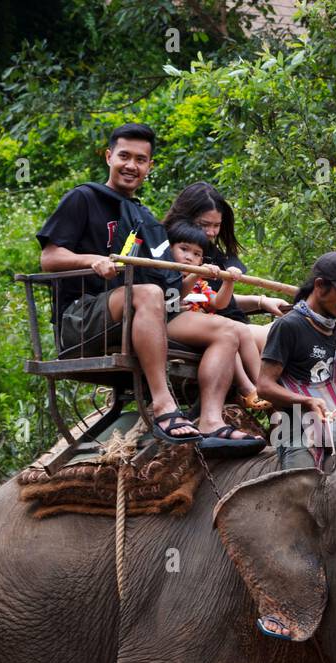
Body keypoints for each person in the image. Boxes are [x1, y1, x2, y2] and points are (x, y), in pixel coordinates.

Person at [36, 124, 261, 452]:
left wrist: (197, 277)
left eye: (140, 160)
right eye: (124, 156)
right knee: (148, 293)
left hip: (136, 316)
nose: (131, 165)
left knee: (226, 330)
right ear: (109, 156)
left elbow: (167, 287)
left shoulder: (144, 218)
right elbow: (49, 257)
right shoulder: (84, 198)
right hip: (82, 321)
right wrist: (93, 260)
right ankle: (163, 405)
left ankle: (212, 421)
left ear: (149, 167)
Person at [253, 251, 336, 640]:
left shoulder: (334, 328)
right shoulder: (289, 326)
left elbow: (329, 383)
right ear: (320, 287)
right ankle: (278, 605)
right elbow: (264, 385)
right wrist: (305, 403)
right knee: (297, 505)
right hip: (296, 422)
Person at [163, 182, 289, 348]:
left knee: (292, 327)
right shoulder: (169, 252)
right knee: (285, 336)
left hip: (233, 325)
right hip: (218, 328)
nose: (211, 232)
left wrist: (260, 301)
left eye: (216, 225)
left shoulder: (211, 254)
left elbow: (212, 297)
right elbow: (177, 294)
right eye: (204, 224)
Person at [166, 219, 271, 412]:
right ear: (169, 249)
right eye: (184, 249)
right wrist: (196, 275)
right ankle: (245, 387)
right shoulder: (167, 276)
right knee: (227, 332)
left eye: (196, 254)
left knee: (239, 329)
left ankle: (261, 384)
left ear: (202, 260)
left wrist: (228, 280)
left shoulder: (200, 285)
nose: (189, 257)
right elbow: (178, 293)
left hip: (203, 329)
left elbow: (218, 303)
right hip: (180, 330)